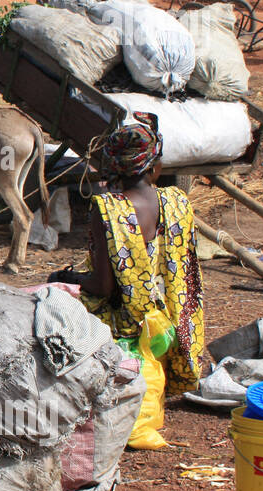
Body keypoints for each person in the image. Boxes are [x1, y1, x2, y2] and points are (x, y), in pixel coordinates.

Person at [51, 113, 206, 421]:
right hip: (171, 325)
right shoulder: (177, 201)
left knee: (52, 300)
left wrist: (65, 277)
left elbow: (103, 287)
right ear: (152, 166)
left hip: (127, 326)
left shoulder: (109, 208)